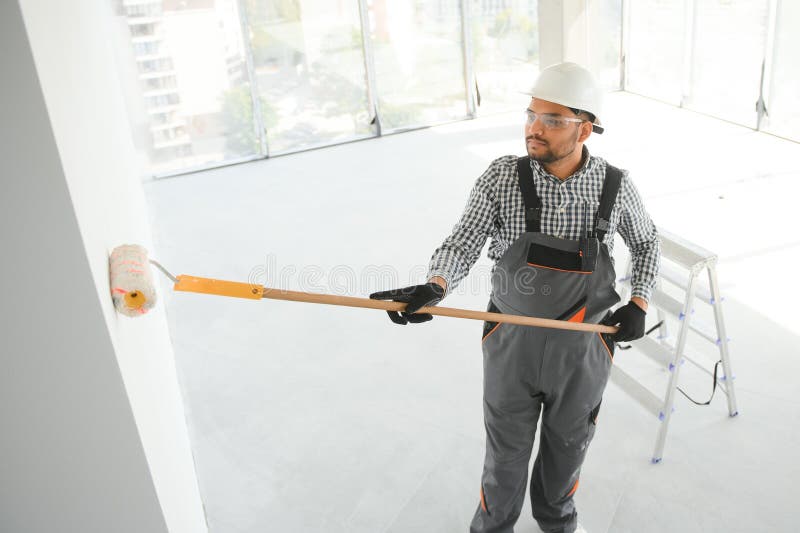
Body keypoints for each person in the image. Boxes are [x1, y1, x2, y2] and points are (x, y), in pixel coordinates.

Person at [370, 62, 660, 533]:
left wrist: (640, 300)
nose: (533, 129)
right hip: (511, 344)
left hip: (583, 351)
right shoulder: (503, 178)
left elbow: (647, 242)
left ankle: (558, 521)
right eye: (530, 115)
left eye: (551, 120)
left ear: (585, 129)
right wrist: (435, 286)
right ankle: (492, 526)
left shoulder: (614, 187)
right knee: (505, 455)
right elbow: (463, 241)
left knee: (567, 450)